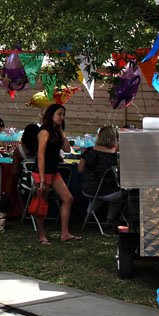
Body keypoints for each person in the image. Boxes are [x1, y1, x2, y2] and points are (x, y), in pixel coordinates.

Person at [34, 103, 80, 245]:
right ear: (51, 115)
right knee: (41, 203)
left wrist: (62, 133)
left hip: (53, 171)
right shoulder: (44, 132)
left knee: (68, 198)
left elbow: (67, 149)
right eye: (59, 114)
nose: (62, 117)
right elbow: (40, 156)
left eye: (63, 115)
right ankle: (42, 235)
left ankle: (65, 233)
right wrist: (42, 179)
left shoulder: (56, 132)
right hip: (43, 172)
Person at [78, 126, 123, 226]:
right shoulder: (116, 156)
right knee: (120, 195)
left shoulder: (88, 151)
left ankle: (88, 217)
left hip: (87, 190)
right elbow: (121, 174)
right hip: (108, 192)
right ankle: (109, 220)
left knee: (97, 196)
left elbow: (80, 169)